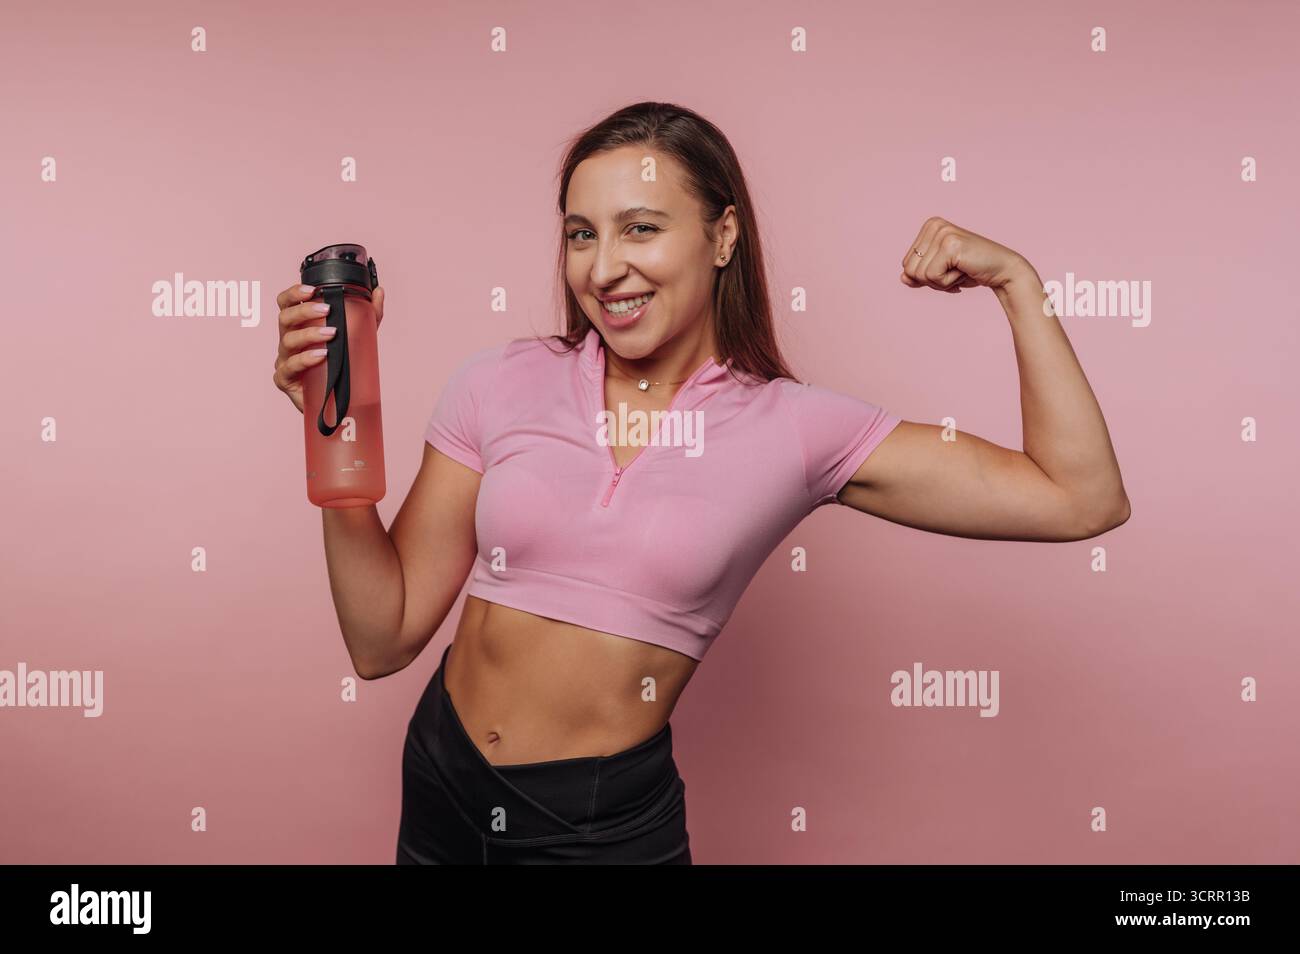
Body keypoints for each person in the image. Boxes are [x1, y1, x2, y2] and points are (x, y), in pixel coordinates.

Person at [271, 102, 1130, 865]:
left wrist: (1018, 285)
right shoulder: (497, 381)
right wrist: (334, 421)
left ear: (723, 237)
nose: (604, 268)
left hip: (598, 827)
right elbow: (380, 641)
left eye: (640, 229)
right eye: (581, 233)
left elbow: (1078, 498)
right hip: (442, 775)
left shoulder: (795, 428)